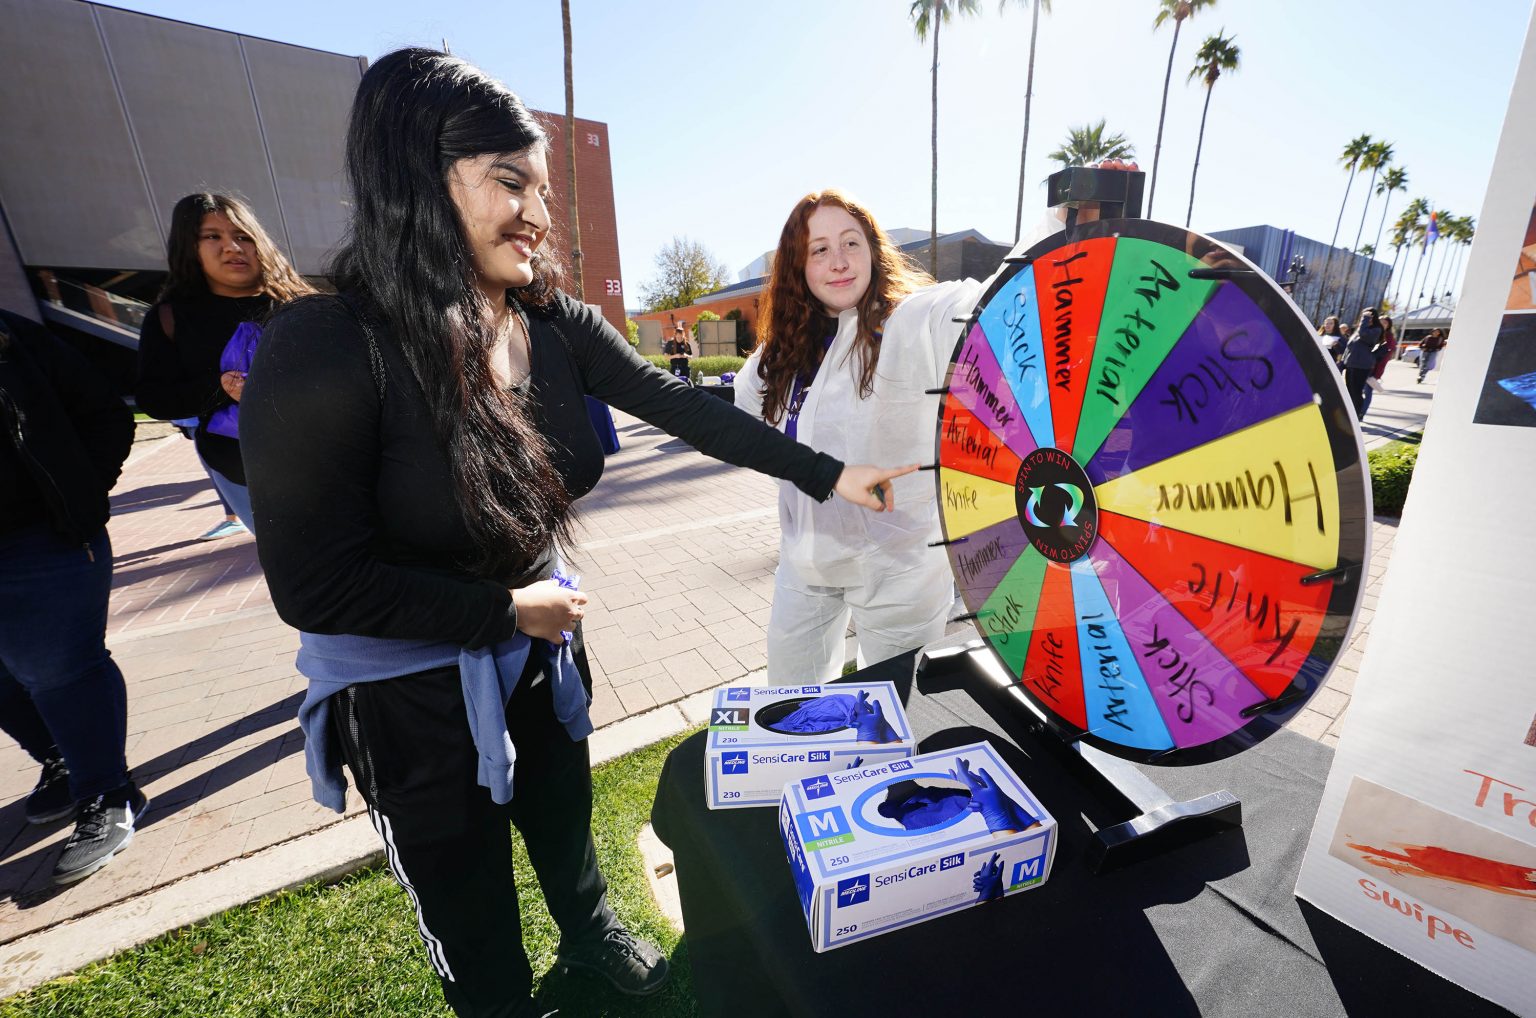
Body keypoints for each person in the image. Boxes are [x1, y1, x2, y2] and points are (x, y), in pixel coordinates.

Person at [240, 49, 907, 1018]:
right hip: (409, 692)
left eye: (542, 187)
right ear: (417, 177)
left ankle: (590, 938)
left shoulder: (544, 318)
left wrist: (832, 473)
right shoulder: (323, 345)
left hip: (539, 640)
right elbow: (314, 587)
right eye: (509, 182)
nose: (540, 214)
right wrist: (506, 608)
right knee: (470, 910)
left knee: (562, 814)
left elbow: (683, 407)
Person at [735, 190, 981, 681]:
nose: (840, 262)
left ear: (873, 250)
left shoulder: (911, 322)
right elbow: (746, 433)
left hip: (899, 569)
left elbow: (985, 301)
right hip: (805, 564)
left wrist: (1064, 221)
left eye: (852, 242)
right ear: (798, 266)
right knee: (792, 698)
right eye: (819, 249)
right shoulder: (774, 358)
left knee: (897, 712)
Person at [0, 309, 144, 884]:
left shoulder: (14, 339)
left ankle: (108, 793)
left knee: (59, 670)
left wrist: (78, 500)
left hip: (39, 541)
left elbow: (106, 415)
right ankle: (60, 759)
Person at [135, 193, 312, 534]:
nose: (232, 247)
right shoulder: (172, 318)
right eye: (212, 236)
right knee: (303, 571)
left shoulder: (303, 304)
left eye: (243, 235)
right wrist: (221, 389)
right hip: (244, 472)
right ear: (190, 247)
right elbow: (153, 398)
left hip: (333, 460)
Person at [1340, 307, 1385, 418]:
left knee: (1356, 391)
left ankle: (1357, 414)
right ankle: (1349, 414)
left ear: (1374, 317)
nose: (1365, 318)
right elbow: (1350, 347)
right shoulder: (1361, 329)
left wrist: (1365, 319)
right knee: (1349, 390)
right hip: (1351, 364)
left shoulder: (1376, 330)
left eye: (1369, 316)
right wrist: (1343, 362)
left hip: (1361, 366)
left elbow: (1364, 335)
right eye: (1364, 316)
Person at [1361, 315, 1397, 416]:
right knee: (1360, 391)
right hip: (1362, 366)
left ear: (1388, 326)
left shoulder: (1389, 338)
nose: (1382, 324)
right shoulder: (1373, 333)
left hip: (1373, 370)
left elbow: (1384, 357)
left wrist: (1376, 373)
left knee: (1367, 392)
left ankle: (1361, 414)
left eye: (1385, 323)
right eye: (1380, 322)